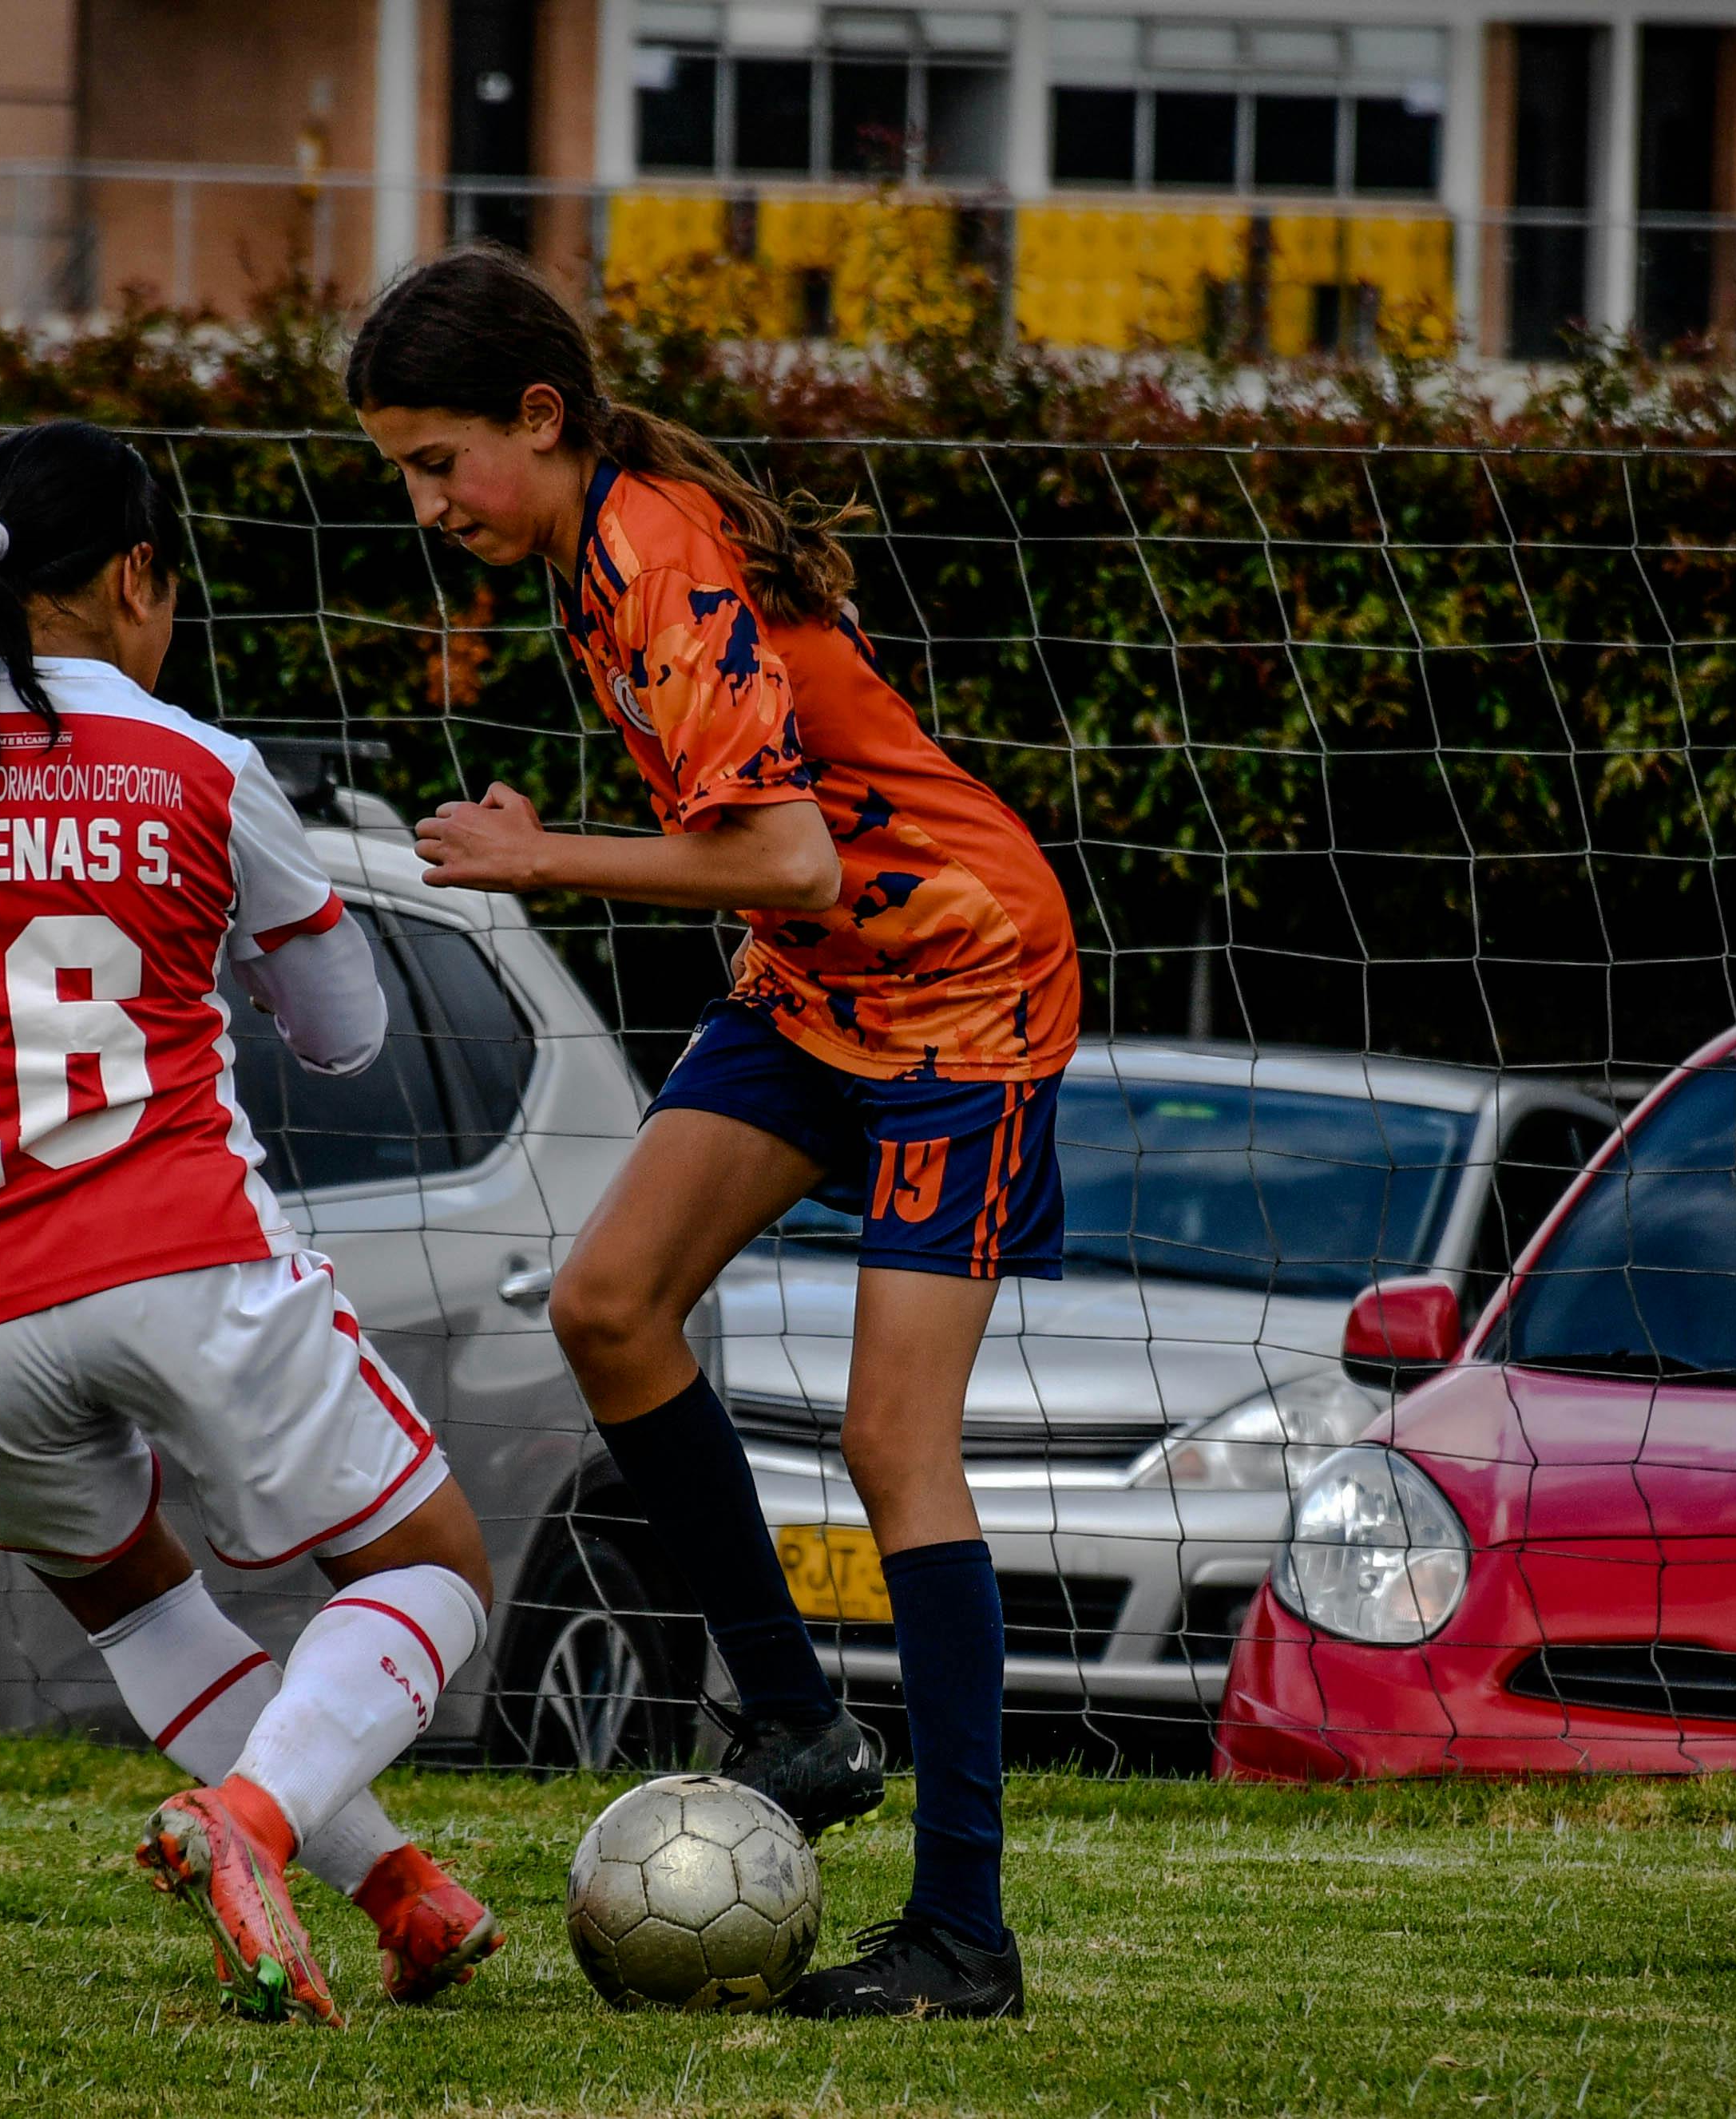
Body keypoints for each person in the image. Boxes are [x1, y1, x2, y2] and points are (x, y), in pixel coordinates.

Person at [346, 249, 1081, 2021]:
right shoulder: (596, 549)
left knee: (894, 1439)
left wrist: (538, 855)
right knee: (607, 1304)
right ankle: (800, 1720)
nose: (428, 504)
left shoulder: (652, 552)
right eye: (403, 474)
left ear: (540, 416)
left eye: (439, 461)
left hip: (961, 987)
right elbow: (778, 856)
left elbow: (789, 856)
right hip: (813, 986)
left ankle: (963, 1935)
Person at [0, 418, 501, 2027]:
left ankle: (400, 1894)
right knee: (432, 1567)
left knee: (144, 1604)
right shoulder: (198, 763)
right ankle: (250, 1822)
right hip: (176, 1256)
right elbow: (348, 1033)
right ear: (139, 575)